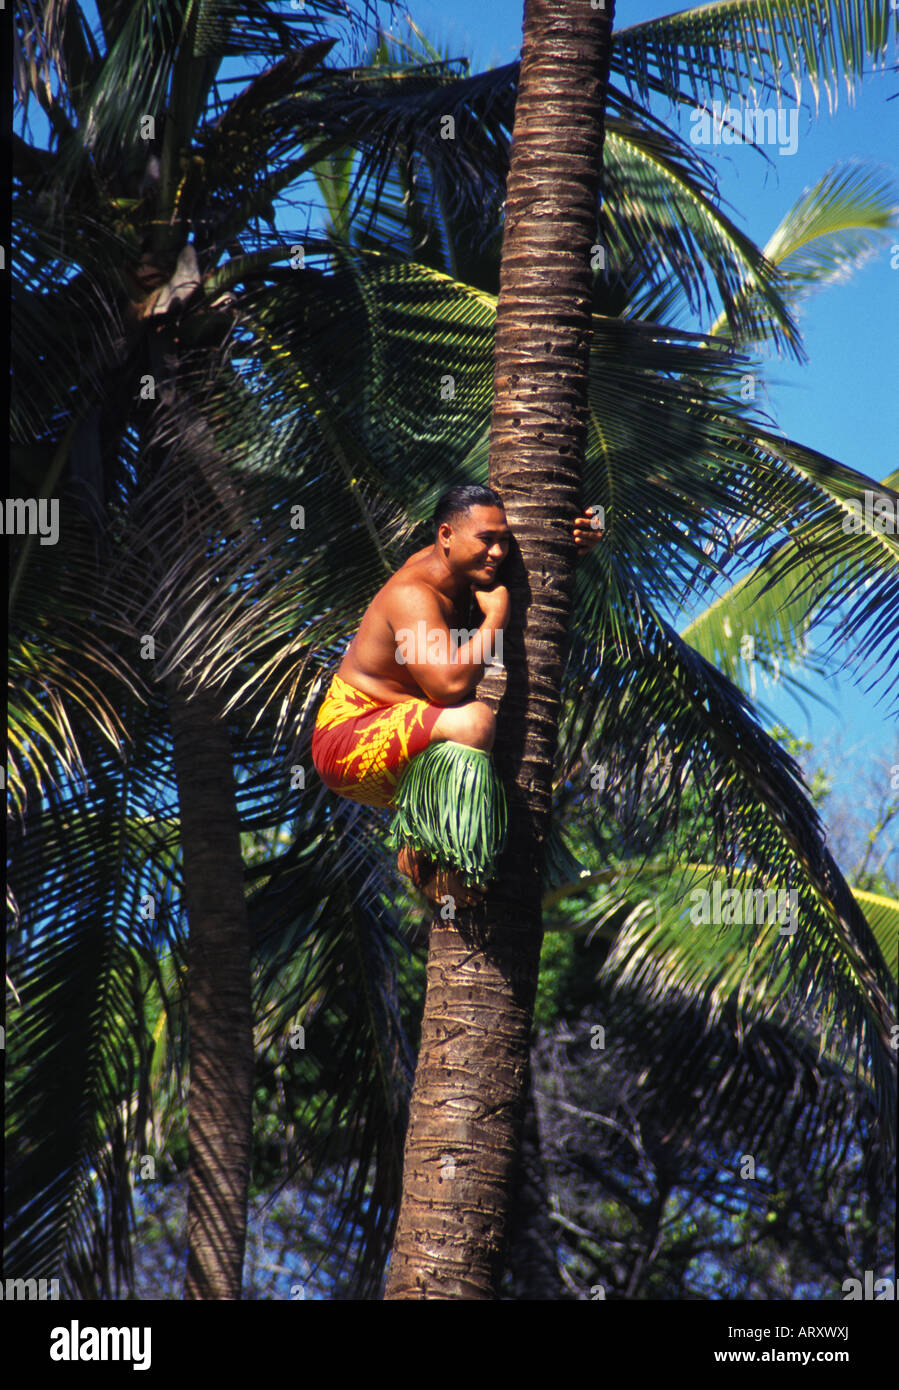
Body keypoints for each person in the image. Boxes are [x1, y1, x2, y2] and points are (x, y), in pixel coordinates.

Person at [311, 485, 602, 905]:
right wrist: (497, 617)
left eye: (504, 541)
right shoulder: (413, 594)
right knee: (475, 721)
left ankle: (418, 851)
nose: (499, 552)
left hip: (405, 733)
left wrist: (579, 535)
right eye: (487, 540)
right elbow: (447, 686)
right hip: (347, 742)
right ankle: (436, 856)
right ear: (445, 535)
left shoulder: (463, 569)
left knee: (489, 739)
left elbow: (532, 556)